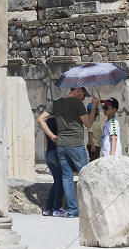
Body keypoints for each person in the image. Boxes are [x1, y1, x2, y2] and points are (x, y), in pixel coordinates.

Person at [38, 85, 94, 218]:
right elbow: (89, 124)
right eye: (84, 95)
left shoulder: (56, 103)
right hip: (76, 144)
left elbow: (40, 119)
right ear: (78, 90)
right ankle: (91, 207)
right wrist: (93, 108)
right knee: (86, 175)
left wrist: (52, 136)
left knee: (66, 178)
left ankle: (73, 210)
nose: (83, 98)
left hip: (61, 145)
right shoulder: (77, 103)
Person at [39, 111, 66, 216]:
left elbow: (46, 141)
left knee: (56, 181)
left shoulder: (47, 122)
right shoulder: (58, 122)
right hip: (56, 153)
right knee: (60, 182)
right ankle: (57, 208)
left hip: (48, 153)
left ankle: (48, 208)